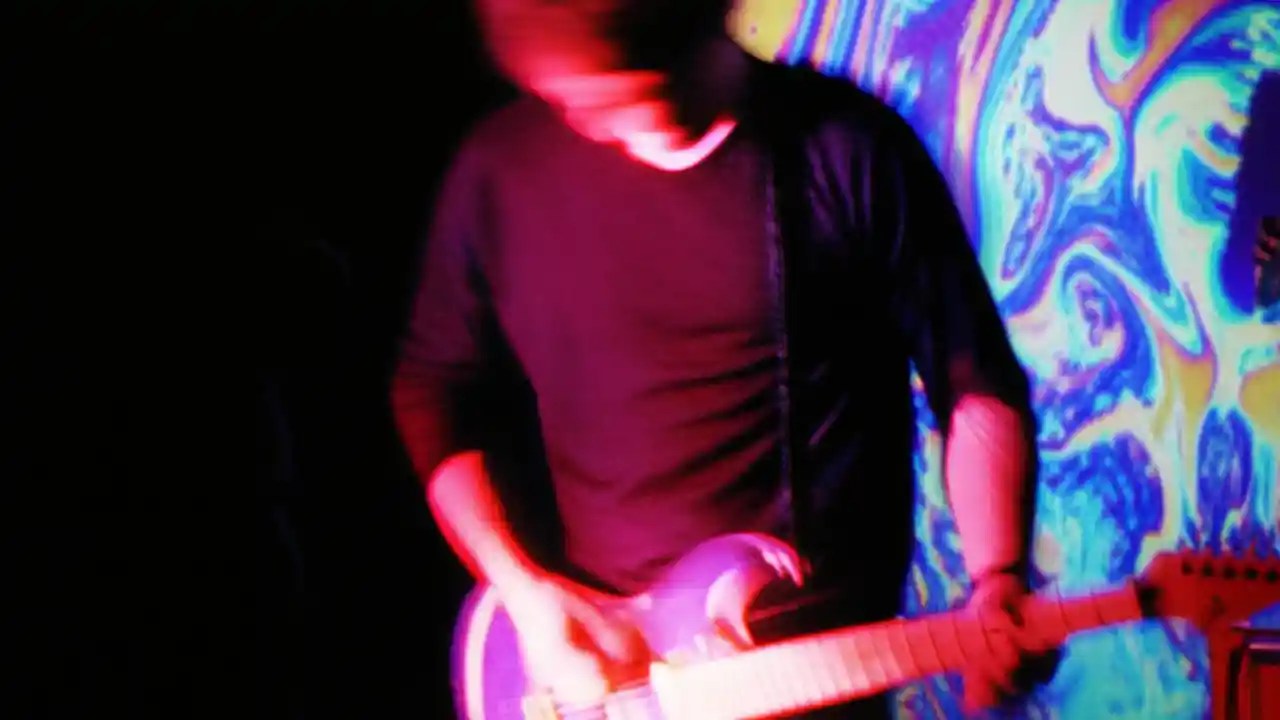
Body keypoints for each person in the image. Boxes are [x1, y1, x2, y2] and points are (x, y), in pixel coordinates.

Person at [391, 0, 1051, 716]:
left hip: (825, 674)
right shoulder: (501, 171)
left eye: (612, 91)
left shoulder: (846, 149)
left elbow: (973, 377)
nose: (580, 115)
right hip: (606, 684)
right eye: (564, 96)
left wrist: (997, 576)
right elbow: (434, 392)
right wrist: (524, 590)